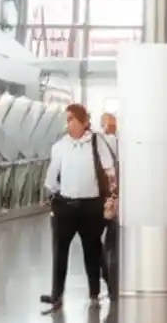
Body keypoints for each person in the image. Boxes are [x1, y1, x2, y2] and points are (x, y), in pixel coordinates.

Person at [41, 104, 116, 311]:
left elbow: (109, 171)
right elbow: (51, 176)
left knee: (92, 249)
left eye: (73, 119)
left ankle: (95, 293)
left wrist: (111, 197)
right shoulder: (60, 146)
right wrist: (54, 194)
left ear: (84, 122)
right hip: (65, 206)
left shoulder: (96, 141)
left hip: (91, 207)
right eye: (67, 119)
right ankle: (56, 295)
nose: (69, 123)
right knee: (60, 250)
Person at [97, 112, 120, 298]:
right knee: (112, 242)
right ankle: (111, 283)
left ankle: (104, 279)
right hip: (113, 200)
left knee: (97, 241)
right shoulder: (117, 143)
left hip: (97, 199)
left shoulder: (97, 143)